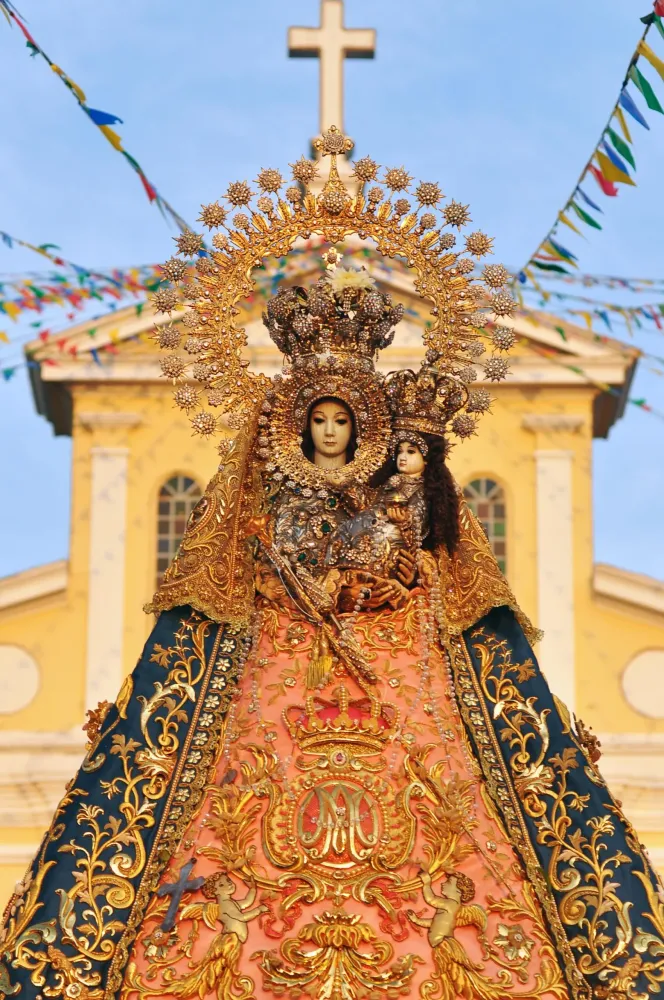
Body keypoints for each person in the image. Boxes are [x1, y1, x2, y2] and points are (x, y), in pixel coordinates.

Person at [2, 132, 663, 1000]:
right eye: (316, 420)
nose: (330, 434)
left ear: (368, 428)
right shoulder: (252, 519)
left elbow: (433, 558)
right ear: (289, 425)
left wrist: (410, 501)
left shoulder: (409, 504)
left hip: (401, 699)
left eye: (345, 421)